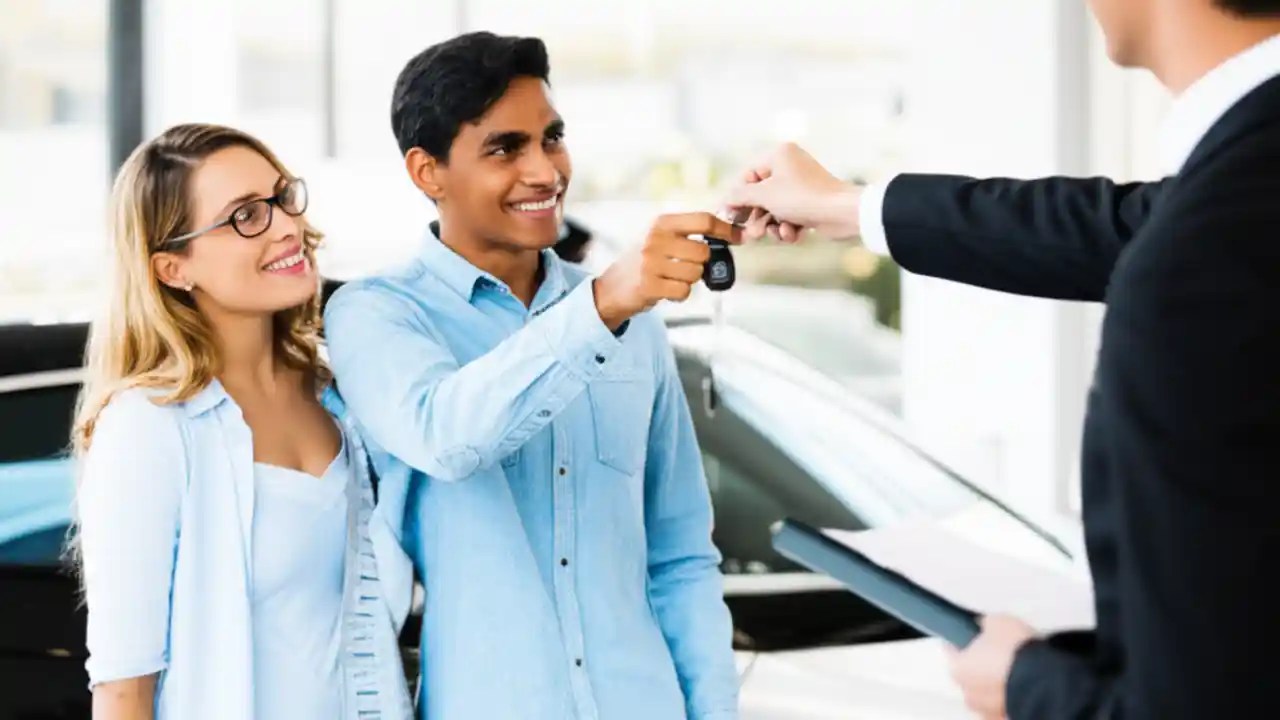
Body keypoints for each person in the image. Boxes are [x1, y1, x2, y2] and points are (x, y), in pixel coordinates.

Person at [723, 1, 1280, 718]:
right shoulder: (1235, 200)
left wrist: (1026, 684)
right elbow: (1132, 225)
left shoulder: (1198, 265)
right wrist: (851, 206)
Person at [323, 31, 741, 720]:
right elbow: (447, 436)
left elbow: (681, 559)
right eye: (505, 148)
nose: (546, 171)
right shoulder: (377, 316)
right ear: (429, 173)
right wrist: (602, 305)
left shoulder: (631, 321)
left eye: (552, 138)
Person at [71, 123, 414, 720]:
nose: (286, 226)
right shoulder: (148, 428)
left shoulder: (342, 394)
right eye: (244, 216)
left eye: (283, 198)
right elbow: (123, 689)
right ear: (173, 268)